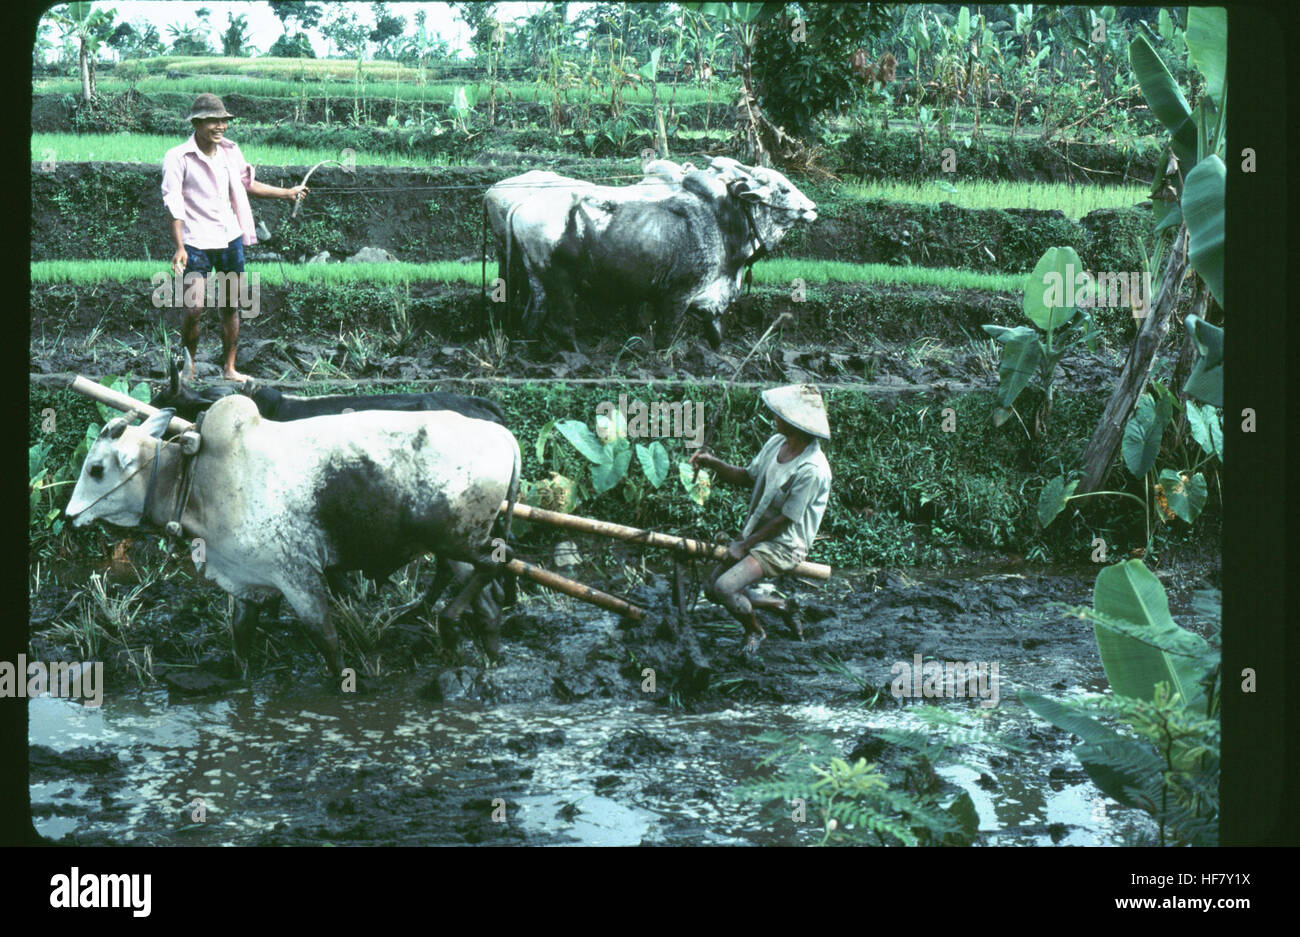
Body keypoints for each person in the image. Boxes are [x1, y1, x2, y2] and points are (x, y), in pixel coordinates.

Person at [161, 94, 308, 383]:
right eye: (213, 121)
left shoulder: (230, 152)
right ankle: (188, 369)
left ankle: (229, 369)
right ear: (197, 123)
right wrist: (179, 246)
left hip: (229, 238)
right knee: (194, 308)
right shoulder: (177, 157)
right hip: (195, 241)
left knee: (231, 305)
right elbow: (173, 201)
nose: (220, 126)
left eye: (224, 121)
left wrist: (286, 193)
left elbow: (247, 184)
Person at [688, 384, 832, 652]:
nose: (774, 417)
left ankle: (755, 631)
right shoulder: (777, 443)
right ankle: (781, 605)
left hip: (784, 544)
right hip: (757, 532)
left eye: (781, 414)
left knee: (726, 588)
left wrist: (743, 545)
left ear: (796, 423)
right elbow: (747, 476)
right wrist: (713, 463)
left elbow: (786, 520)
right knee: (712, 589)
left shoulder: (812, 469)